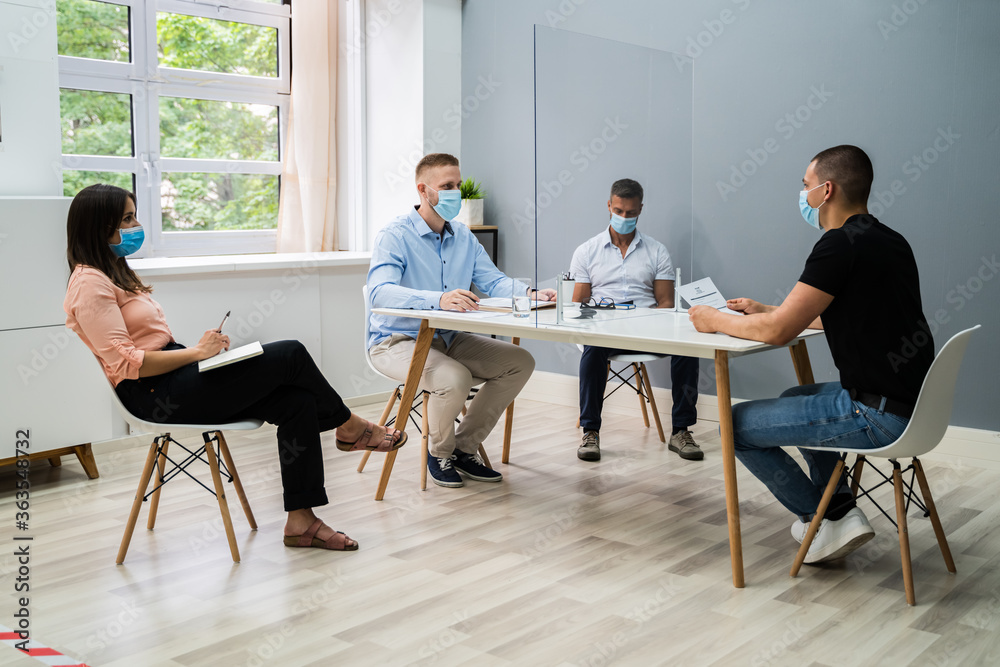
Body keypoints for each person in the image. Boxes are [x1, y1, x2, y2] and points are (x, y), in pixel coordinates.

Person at [63, 184, 405, 552]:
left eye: (134, 216)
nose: (135, 225)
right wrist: (197, 354)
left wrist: (201, 352)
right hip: (153, 394)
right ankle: (350, 427)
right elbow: (130, 365)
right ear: (100, 227)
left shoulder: (113, 271)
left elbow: (150, 345)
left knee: (297, 402)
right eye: (126, 219)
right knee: (290, 353)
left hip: (173, 378)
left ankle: (301, 522)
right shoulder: (88, 285)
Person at [688, 145, 934, 564]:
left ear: (827, 189)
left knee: (734, 427)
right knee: (794, 397)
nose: (802, 195)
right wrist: (768, 309)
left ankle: (819, 517)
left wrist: (713, 319)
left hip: (876, 414)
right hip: (914, 406)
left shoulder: (837, 245)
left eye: (805, 186)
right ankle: (839, 513)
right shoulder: (889, 240)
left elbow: (778, 334)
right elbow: (843, 315)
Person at [367, 152, 555, 488]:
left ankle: (464, 449)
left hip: (448, 339)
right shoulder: (394, 236)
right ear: (423, 190)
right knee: (454, 377)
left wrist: (530, 294)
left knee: (519, 362)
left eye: (457, 184)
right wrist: (437, 299)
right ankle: (439, 453)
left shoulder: (465, 238)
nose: (455, 192)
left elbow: (494, 282)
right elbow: (380, 294)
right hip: (396, 342)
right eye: (447, 186)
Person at [569, 178, 702, 462]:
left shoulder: (656, 251)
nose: (624, 218)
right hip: (605, 329)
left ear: (641, 209)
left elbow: (666, 303)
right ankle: (590, 431)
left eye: (631, 213)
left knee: (689, 348)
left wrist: (646, 323)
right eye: (619, 211)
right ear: (609, 206)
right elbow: (578, 302)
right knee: (593, 348)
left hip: (648, 329)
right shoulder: (587, 251)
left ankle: (681, 430)